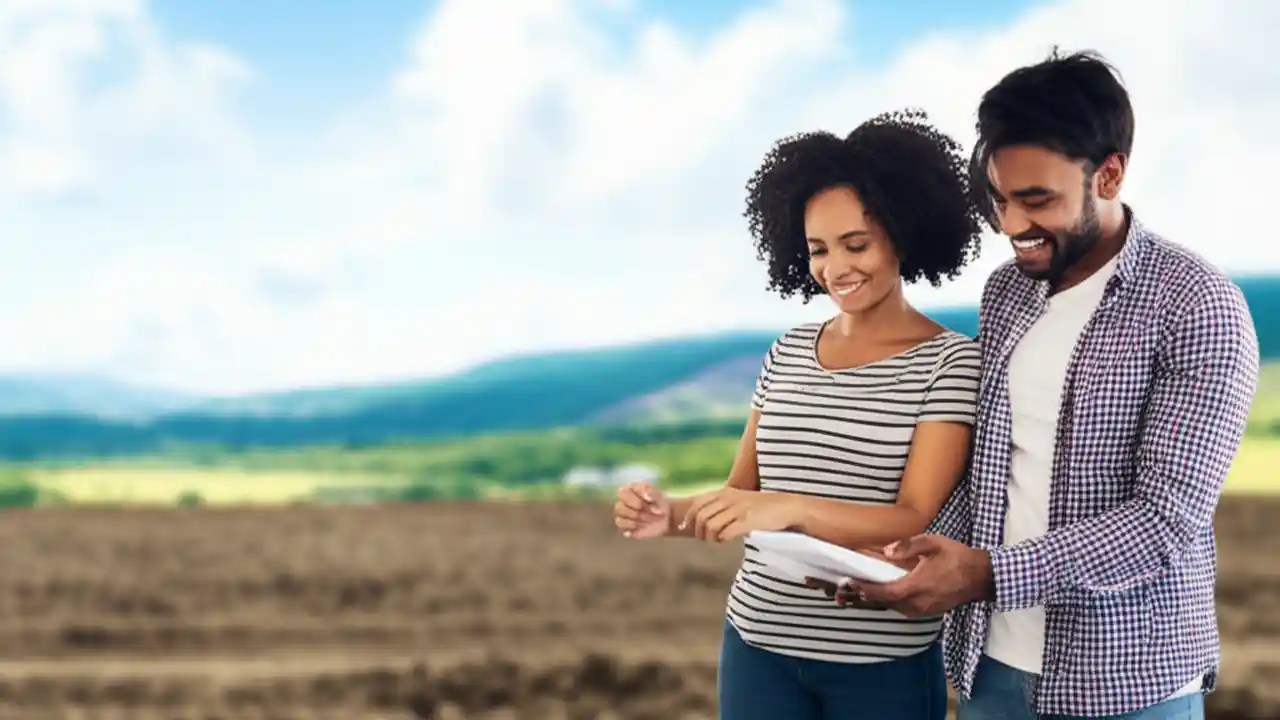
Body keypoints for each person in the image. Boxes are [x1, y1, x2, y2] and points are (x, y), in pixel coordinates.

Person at [837, 52, 1261, 720]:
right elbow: (997, 472)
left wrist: (983, 575)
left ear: (1111, 173)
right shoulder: (1007, 292)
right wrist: (902, 555)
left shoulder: (1198, 306)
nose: (1011, 227)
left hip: (1127, 687)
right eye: (1000, 200)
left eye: (1037, 201)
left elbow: (1165, 521)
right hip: (991, 673)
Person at [612, 109, 984, 720]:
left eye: (856, 244)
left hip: (879, 661)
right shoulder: (787, 350)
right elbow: (742, 494)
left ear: (904, 231)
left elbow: (912, 514)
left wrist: (792, 509)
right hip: (757, 644)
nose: (836, 268)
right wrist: (669, 515)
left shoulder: (949, 363)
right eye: (819, 250)